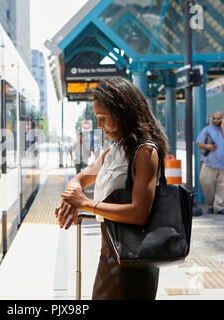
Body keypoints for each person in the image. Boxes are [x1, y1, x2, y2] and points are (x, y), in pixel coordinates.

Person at [55, 78, 169, 300]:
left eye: (103, 118)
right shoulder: (113, 152)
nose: (99, 125)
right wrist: (71, 196)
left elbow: (139, 213)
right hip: (110, 252)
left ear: (123, 112)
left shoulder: (145, 152)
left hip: (134, 260)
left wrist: (85, 203)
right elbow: (79, 179)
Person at [196, 111, 224, 215]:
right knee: (207, 184)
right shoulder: (207, 130)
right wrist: (207, 147)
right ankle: (210, 204)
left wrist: (223, 127)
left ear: (223, 119)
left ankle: (218, 207)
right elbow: (199, 143)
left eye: (219, 118)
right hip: (209, 163)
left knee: (222, 186)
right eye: (214, 118)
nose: (216, 120)